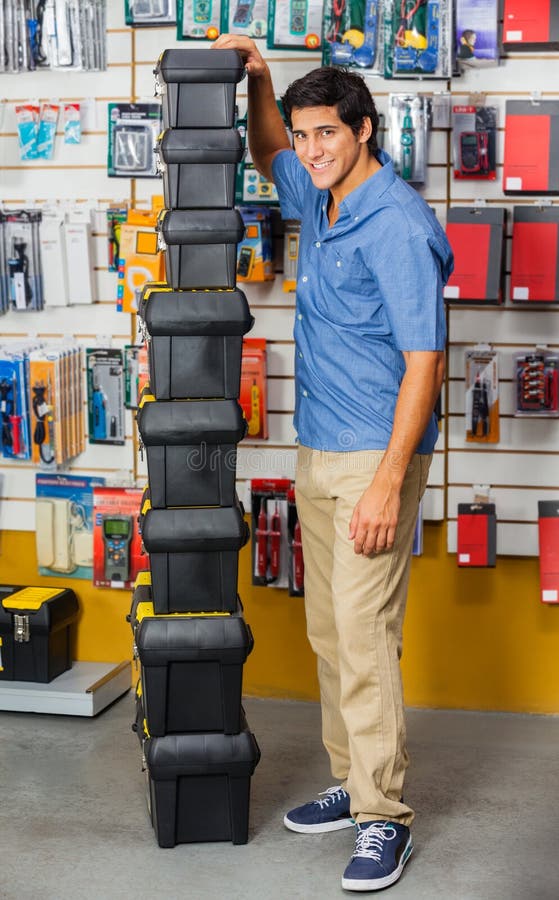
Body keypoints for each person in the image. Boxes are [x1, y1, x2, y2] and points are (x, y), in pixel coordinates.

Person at [212, 34, 453, 893]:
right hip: (318, 451)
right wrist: (265, 85)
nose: (311, 148)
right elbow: (268, 146)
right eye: (308, 132)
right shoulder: (320, 196)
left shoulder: (398, 224)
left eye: (328, 134)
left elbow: (425, 361)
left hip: (371, 461)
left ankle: (385, 818)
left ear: (365, 130)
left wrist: (390, 479)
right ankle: (353, 783)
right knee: (328, 637)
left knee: (364, 640)